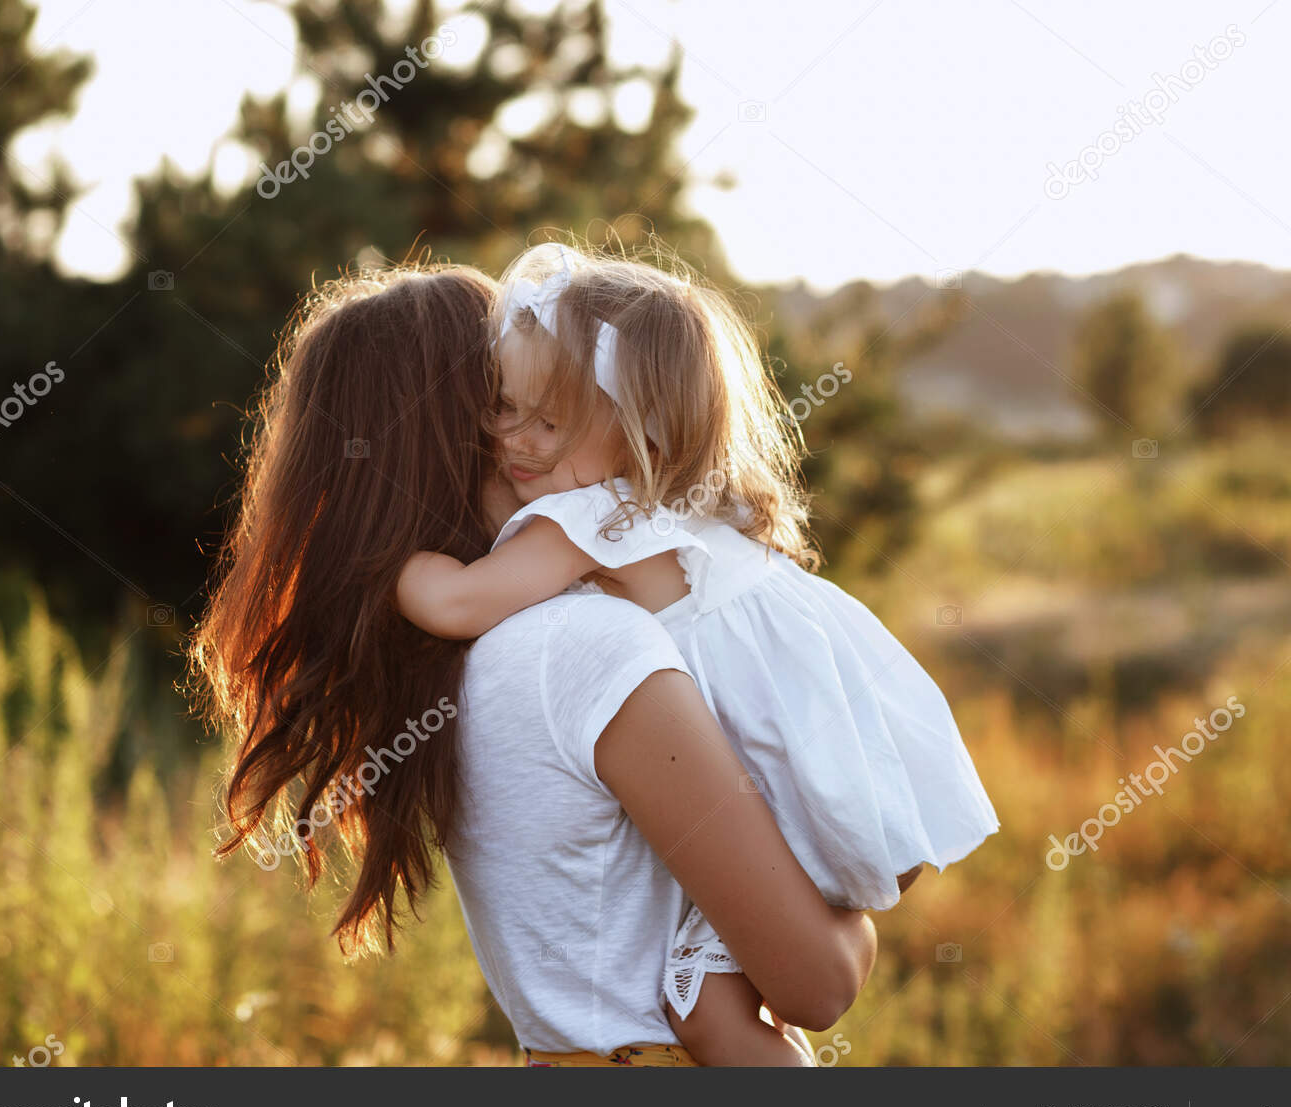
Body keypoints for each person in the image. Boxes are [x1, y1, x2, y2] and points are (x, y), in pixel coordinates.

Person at [191, 263, 875, 1067]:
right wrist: (860, 910)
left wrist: (363, 562)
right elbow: (817, 985)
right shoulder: (584, 648)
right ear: (462, 430)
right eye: (504, 402)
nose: (526, 432)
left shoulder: (465, 656)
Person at [397, 243, 1000, 1065]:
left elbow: (458, 602)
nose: (515, 441)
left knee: (710, 1012)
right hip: (835, 752)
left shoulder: (585, 521)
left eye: (551, 421)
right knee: (766, 980)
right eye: (506, 408)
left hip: (773, 763)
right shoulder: (675, 511)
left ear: (639, 429)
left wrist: (395, 556)